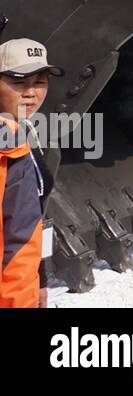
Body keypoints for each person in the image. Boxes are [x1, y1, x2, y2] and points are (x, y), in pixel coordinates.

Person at [0, 39, 58, 308]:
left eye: (40, 82)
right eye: (19, 82)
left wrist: (40, 280)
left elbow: (30, 220)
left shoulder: (23, 136)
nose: (31, 93)